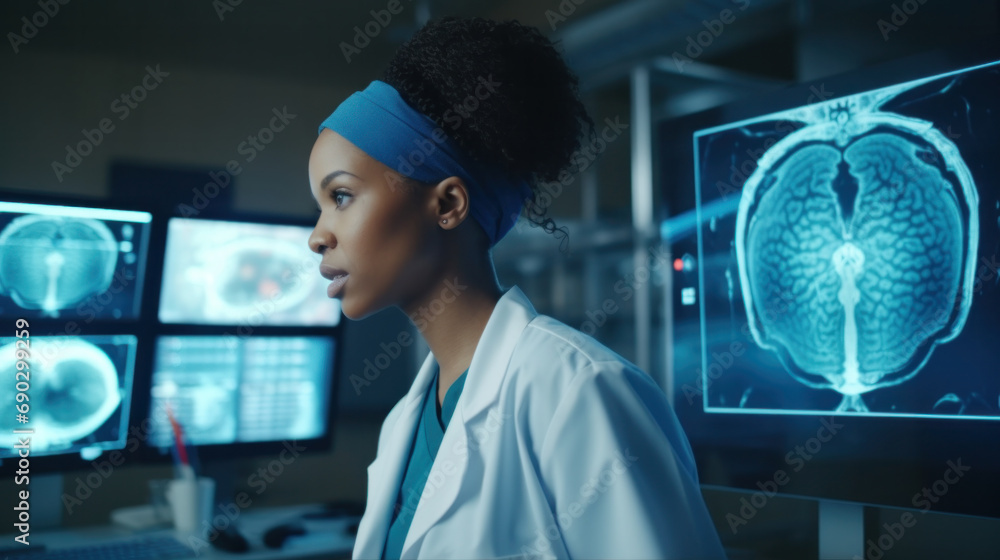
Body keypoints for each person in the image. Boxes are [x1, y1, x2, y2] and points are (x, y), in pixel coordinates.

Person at [307, 15, 726, 560]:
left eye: (340, 196)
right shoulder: (401, 427)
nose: (318, 236)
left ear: (448, 204)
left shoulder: (581, 392)